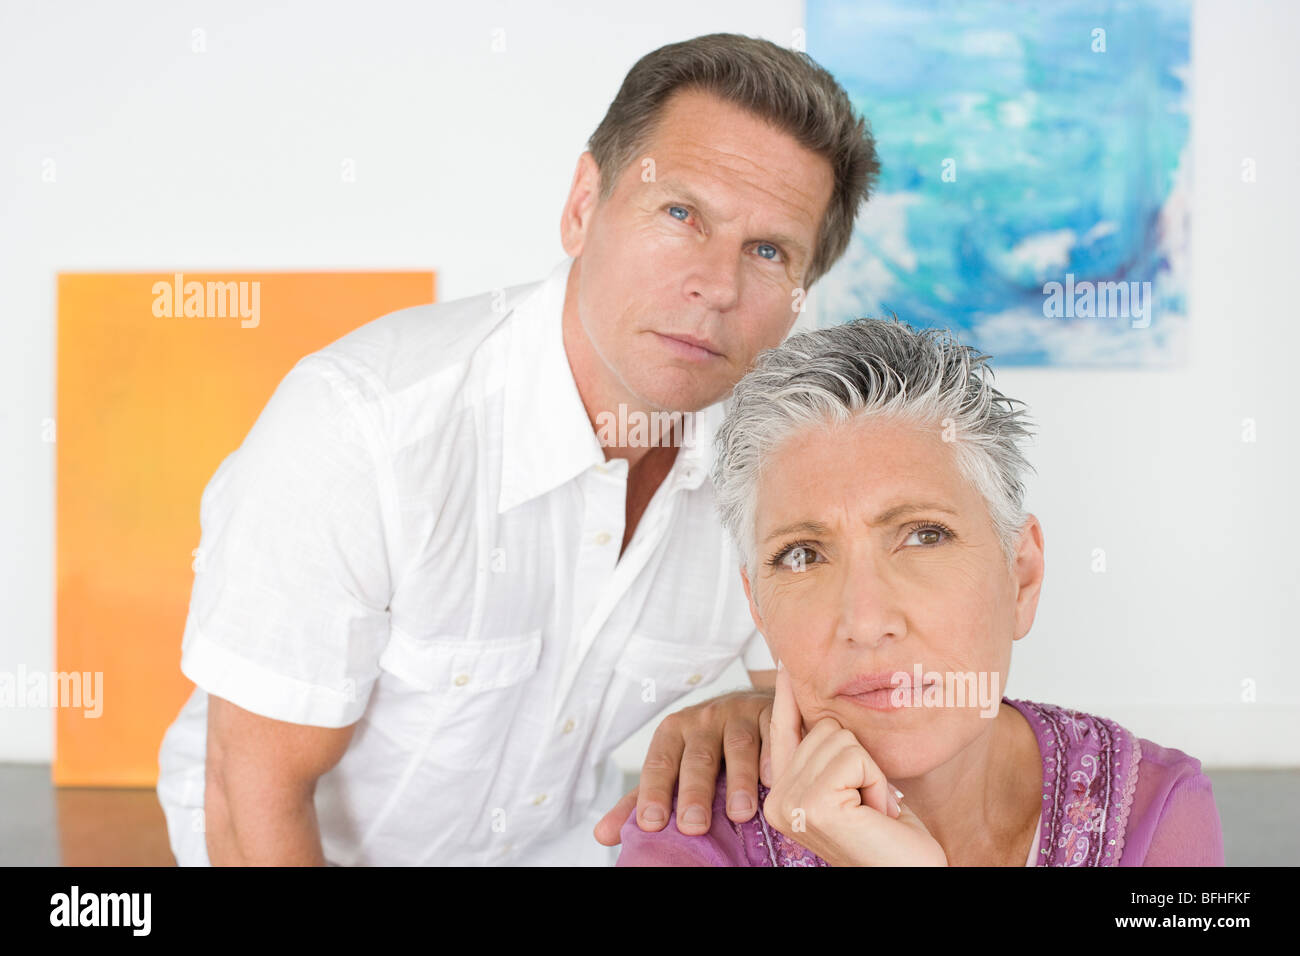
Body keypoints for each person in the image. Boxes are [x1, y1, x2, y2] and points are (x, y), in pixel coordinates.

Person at [154, 33, 882, 865]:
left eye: (767, 252)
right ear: (582, 206)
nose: (717, 286)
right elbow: (251, 800)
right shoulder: (364, 428)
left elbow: (841, 733)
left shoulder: (783, 473)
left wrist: (750, 713)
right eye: (682, 215)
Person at [617, 318, 1225, 866]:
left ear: (1022, 576)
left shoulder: (1154, 808)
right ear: (758, 607)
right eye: (802, 555)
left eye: (924, 536)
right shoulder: (689, 838)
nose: (866, 619)